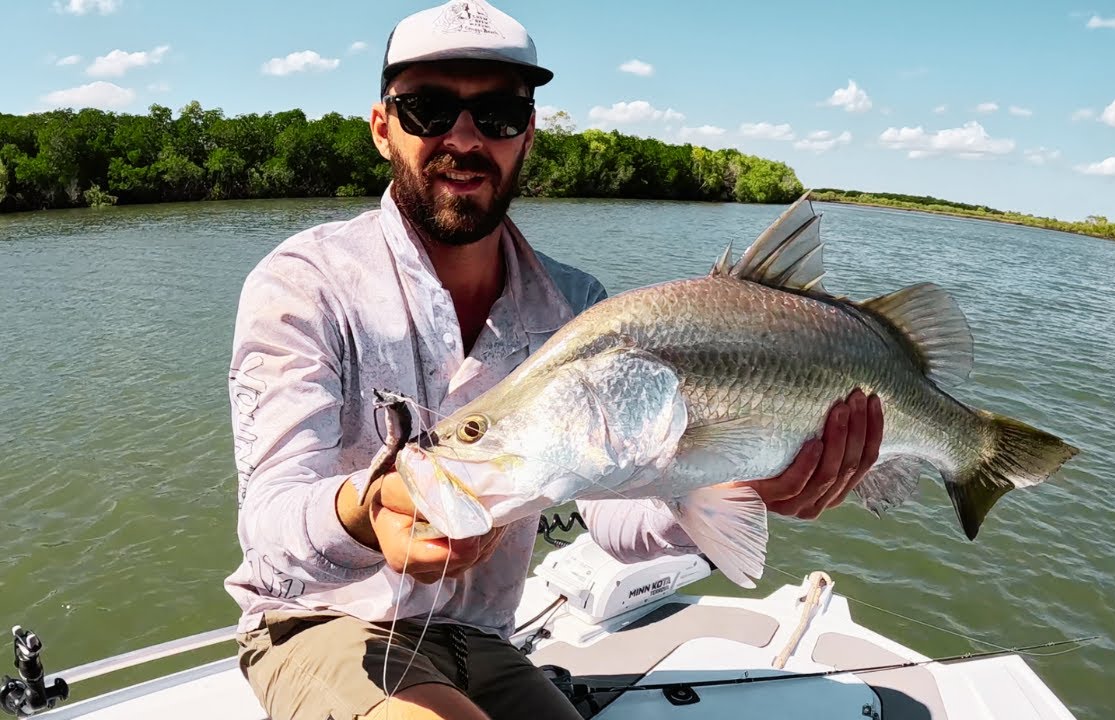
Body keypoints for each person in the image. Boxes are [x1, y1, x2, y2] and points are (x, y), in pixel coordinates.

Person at [224, 1, 885, 718]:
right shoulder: (302, 285)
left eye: (500, 114)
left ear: (528, 133)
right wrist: (363, 509)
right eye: (429, 110)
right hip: (325, 623)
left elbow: (613, 517)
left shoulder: (579, 308)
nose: (465, 139)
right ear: (383, 127)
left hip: (483, 639)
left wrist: (752, 483)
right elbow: (270, 520)